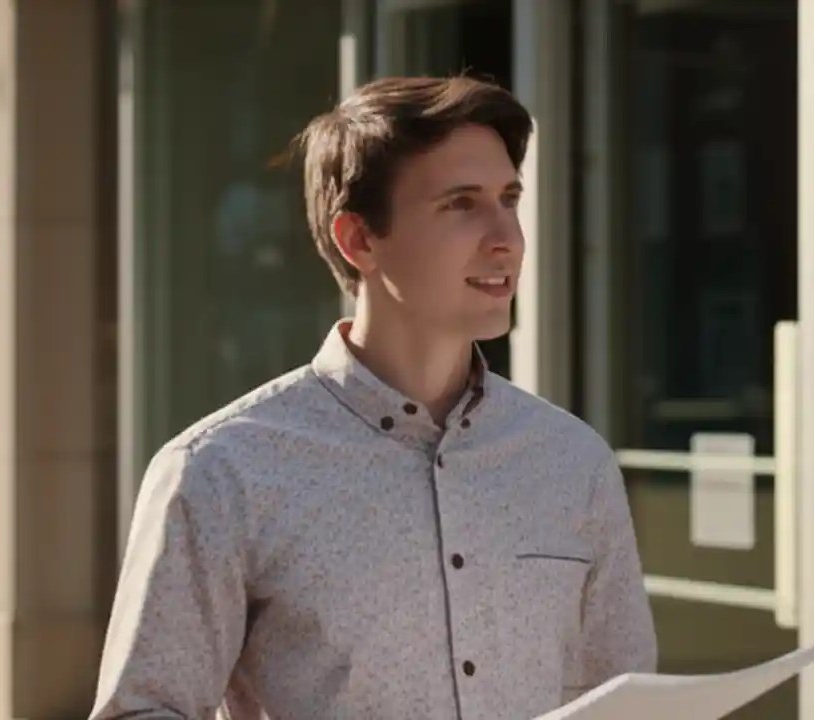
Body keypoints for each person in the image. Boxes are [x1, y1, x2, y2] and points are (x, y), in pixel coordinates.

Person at [90, 76, 657, 720]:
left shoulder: (573, 463)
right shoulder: (223, 473)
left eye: (509, 199)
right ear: (358, 239)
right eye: (461, 204)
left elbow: (627, 697)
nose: (508, 239)